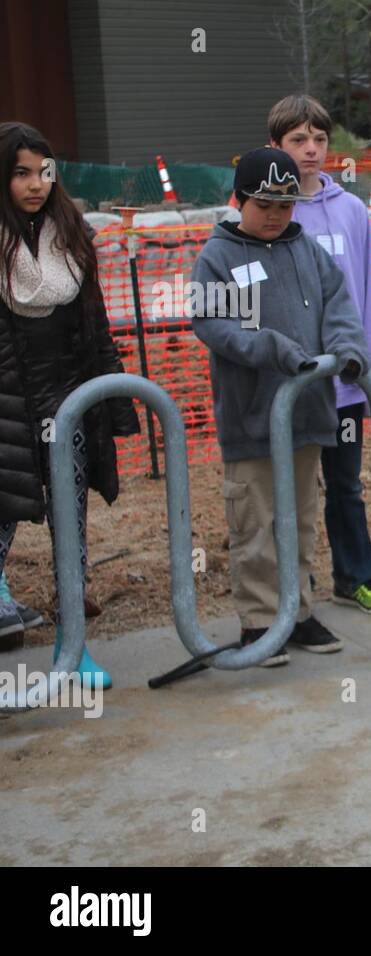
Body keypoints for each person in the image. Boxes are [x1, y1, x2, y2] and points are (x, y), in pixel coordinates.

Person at [191, 147, 369, 666]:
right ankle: (259, 621)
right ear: (239, 199)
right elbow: (211, 322)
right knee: (256, 521)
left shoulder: (307, 250)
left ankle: (299, 608)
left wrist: (347, 351)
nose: (274, 215)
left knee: (299, 519)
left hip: (307, 412)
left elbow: (340, 303)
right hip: (252, 417)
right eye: (264, 204)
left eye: (285, 206)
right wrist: (270, 347)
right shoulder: (217, 255)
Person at [0, 122, 140, 685]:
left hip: (69, 407)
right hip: (8, 410)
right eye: (20, 173)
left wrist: (115, 397)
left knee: (71, 532)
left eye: (44, 171)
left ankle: (73, 648)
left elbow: (96, 326)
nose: (36, 184)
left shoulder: (72, 236)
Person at [268, 94, 371, 615]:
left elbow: (365, 294)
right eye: (298, 140)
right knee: (292, 489)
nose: (311, 149)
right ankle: (295, 587)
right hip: (294, 382)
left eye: (318, 139)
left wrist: (370, 374)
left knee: (346, 484)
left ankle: (354, 576)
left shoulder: (352, 210)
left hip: (344, 382)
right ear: (275, 145)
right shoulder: (271, 212)